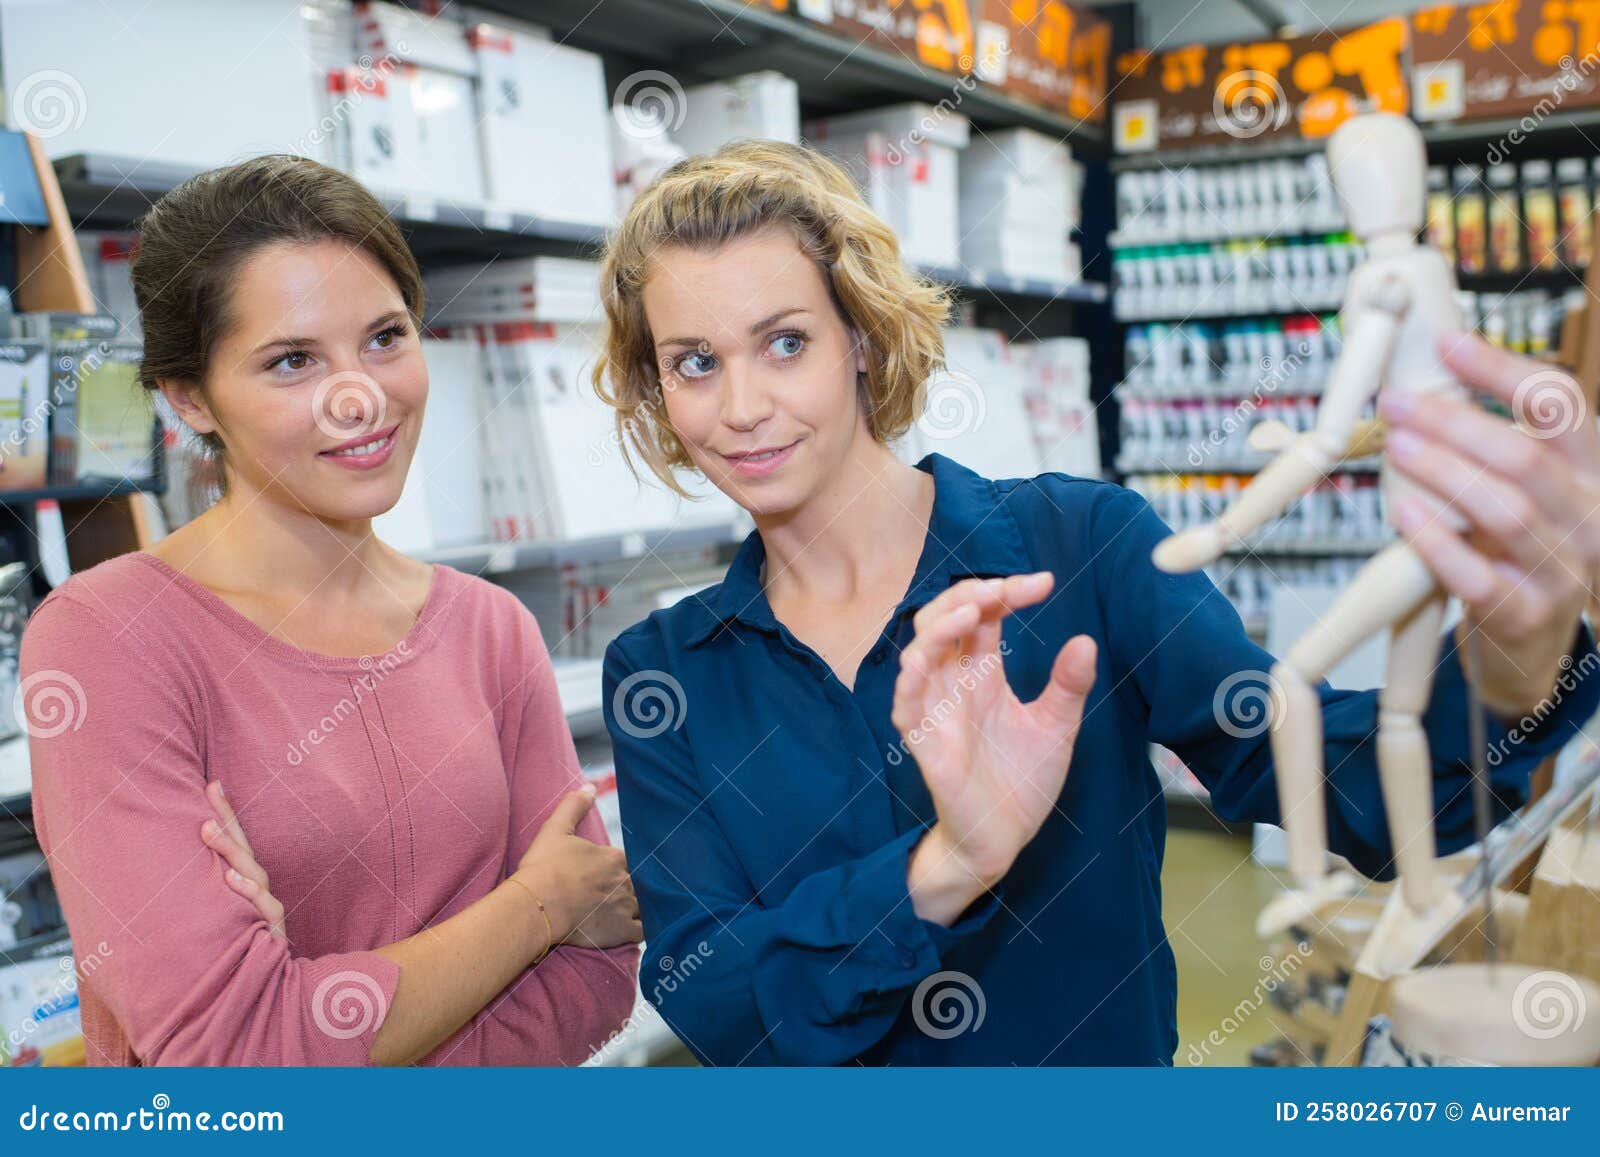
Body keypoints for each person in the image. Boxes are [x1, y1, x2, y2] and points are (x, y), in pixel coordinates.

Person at [593, 140, 1600, 1066]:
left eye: (782, 343)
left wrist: (1519, 660)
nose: (739, 407)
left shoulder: (1082, 550)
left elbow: (1370, 796)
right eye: (694, 362)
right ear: (657, 389)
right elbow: (714, 1002)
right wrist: (945, 865)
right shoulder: (665, 672)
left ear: (859, 335)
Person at [19, 155, 639, 1066]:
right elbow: (237, 1058)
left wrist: (327, 1021)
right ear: (190, 397)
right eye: (292, 360)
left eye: (386, 336)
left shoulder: (488, 628)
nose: (360, 395)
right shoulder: (104, 640)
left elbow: (598, 978)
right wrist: (535, 907)